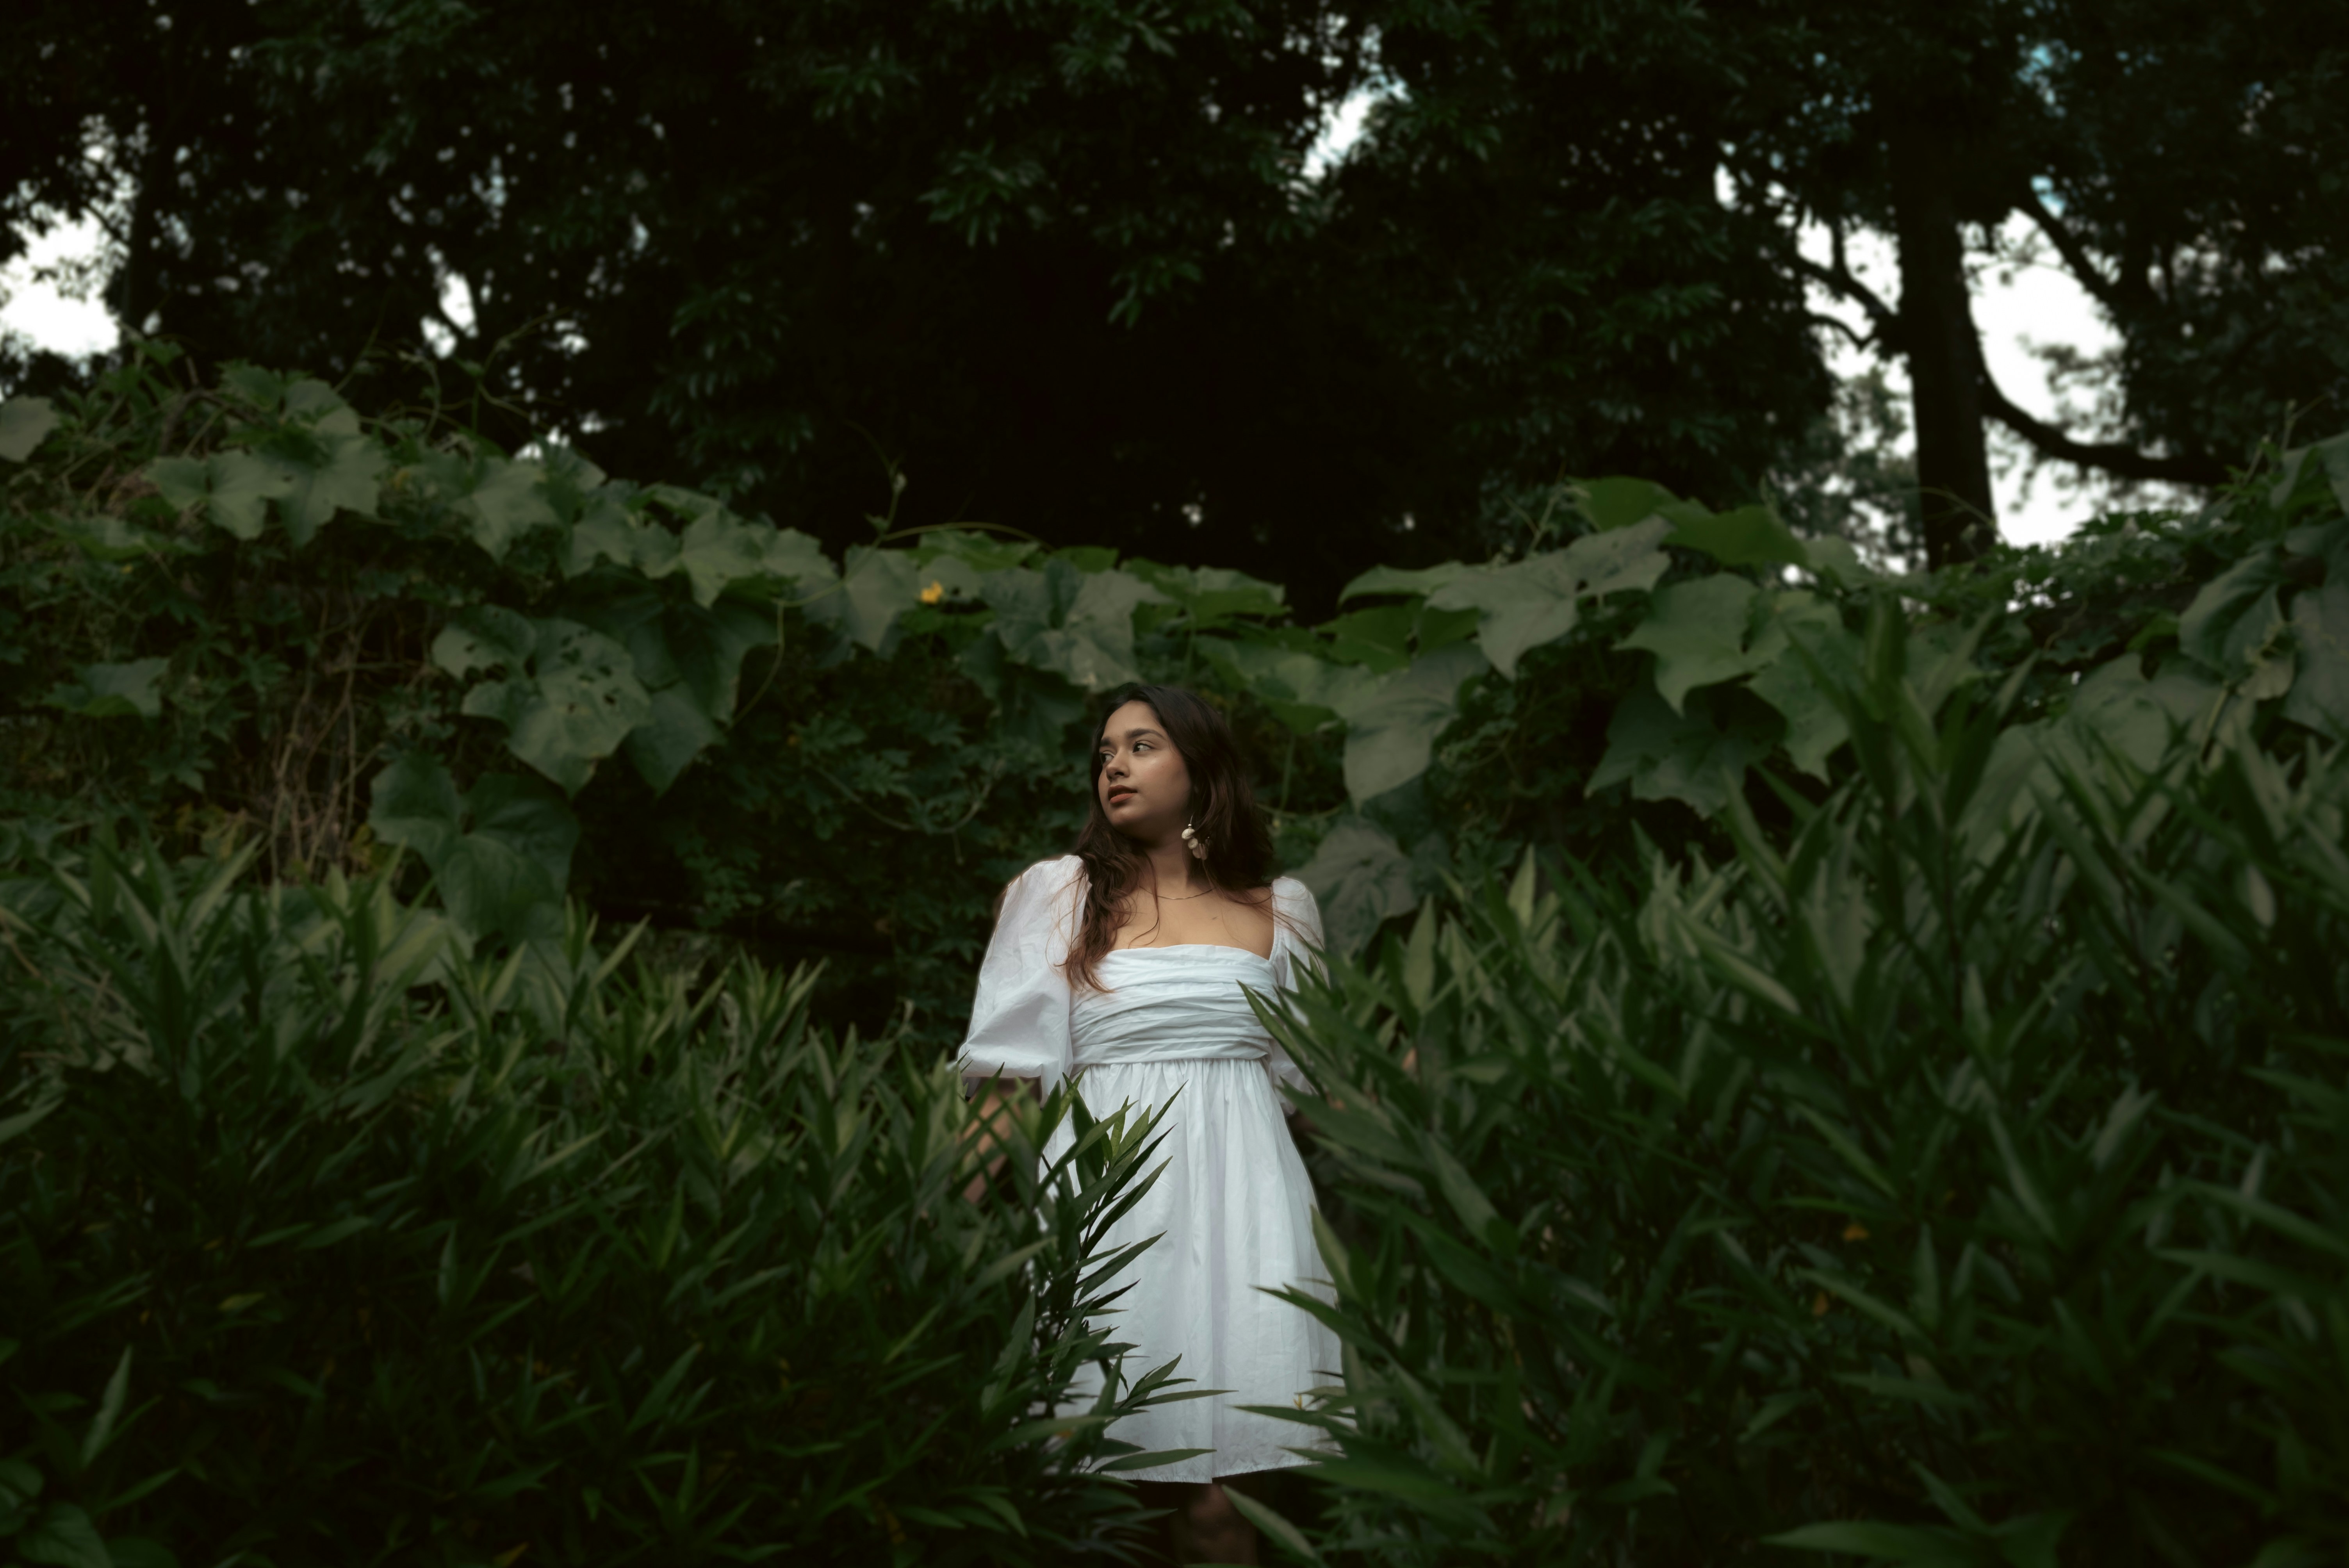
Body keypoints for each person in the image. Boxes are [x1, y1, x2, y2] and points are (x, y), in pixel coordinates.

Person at [958, 682, 1340, 1566]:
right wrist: (929, 1224)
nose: (1113, 766)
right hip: (1106, 1204)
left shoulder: (1282, 910)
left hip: (1246, 1205)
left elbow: (1316, 1088)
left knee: (1219, 1511)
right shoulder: (1058, 895)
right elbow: (1007, 1085)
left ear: (1201, 766)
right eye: (1103, 753)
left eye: (1141, 745)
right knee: (1095, 1498)